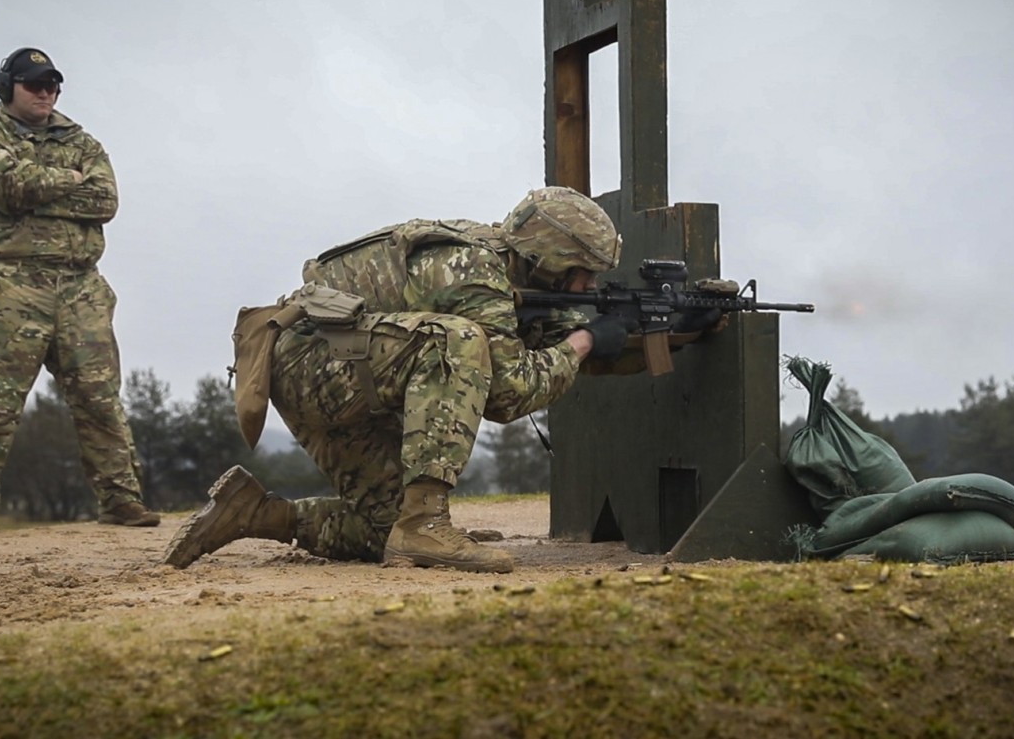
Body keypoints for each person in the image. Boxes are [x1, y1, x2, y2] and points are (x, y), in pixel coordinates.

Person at [164, 186, 720, 573]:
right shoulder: (472, 273)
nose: (588, 284)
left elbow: (553, 332)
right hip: (312, 365)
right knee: (455, 342)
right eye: (584, 272)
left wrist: (677, 327)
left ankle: (257, 514)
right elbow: (508, 393)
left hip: (342, 375)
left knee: (383, 530)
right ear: (550, 257)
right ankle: (427, 523)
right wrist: (583, 342)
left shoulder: (507, 269)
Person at [0, 47, 158, 540]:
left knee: (101, 400)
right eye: (34, 84)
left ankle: (121, 498)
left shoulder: (82, 141)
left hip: (82, 286)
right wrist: (66, 184)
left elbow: (105, 201)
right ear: (8, 87)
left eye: (52, 85)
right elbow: (6, 186)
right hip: (11, 285)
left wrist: (41, 192)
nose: (45, 93)